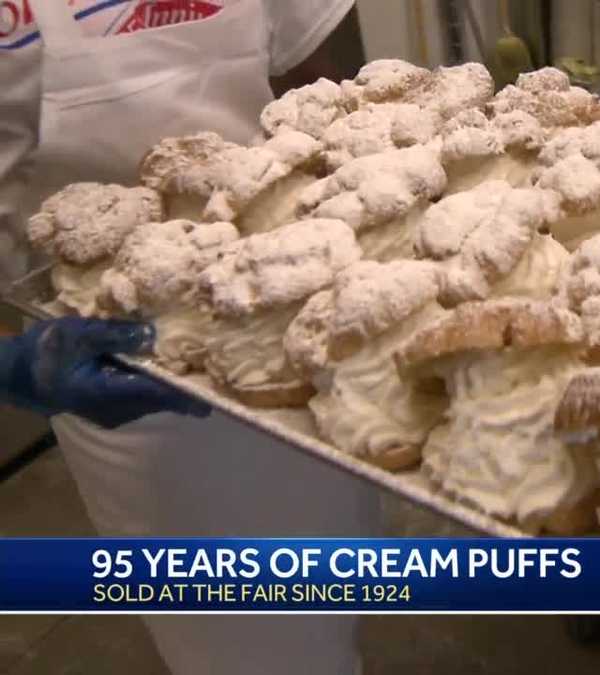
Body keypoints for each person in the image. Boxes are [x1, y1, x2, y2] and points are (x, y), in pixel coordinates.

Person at [0, 1, 381, 673]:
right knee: (242, 646)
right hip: (124, 368)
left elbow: (315, 76)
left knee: (335, 585)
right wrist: (9, 363)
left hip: (297, 307)